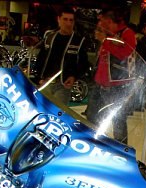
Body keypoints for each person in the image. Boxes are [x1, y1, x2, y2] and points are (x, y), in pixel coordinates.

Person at [87, 8, 136, 144]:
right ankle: (95, 142)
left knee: (118, 119)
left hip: (118, 85)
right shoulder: (108, 34)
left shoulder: (127, 33)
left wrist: (104, 41)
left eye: (101, 21)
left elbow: (124, 54)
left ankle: (120, 149)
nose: (99, 24)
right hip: (100, 83)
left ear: (109, 21)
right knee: (92, 115)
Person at [34, 7, 89, 107]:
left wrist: (74, 77)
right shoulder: (49, 37)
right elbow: (41, 58)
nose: (68, 23)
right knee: (40, 109)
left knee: (57, 111)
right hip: (46, 82)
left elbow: (84, 64)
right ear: (58, 19)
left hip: (63, 84)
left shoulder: (78, 41)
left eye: (71, 20)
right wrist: (39, 78)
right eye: (65, 19)